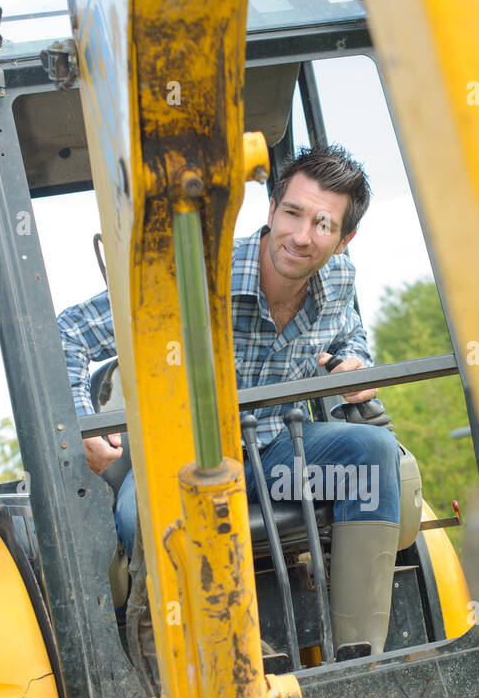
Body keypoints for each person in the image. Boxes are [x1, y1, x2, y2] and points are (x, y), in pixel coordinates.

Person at [57, 143, 402, 654]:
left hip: (281, 464)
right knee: (139, 518)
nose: (302, 237)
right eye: (292, 214)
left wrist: (355, 365)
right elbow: (65, 333)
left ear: (345, 238)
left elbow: (347, 336)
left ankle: (360, 659)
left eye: (323, 225)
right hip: (184, 467)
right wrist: (81, 424)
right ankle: (231, 661)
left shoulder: (340, 279)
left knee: (372, 455)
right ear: (270, 210)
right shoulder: (189, 274)